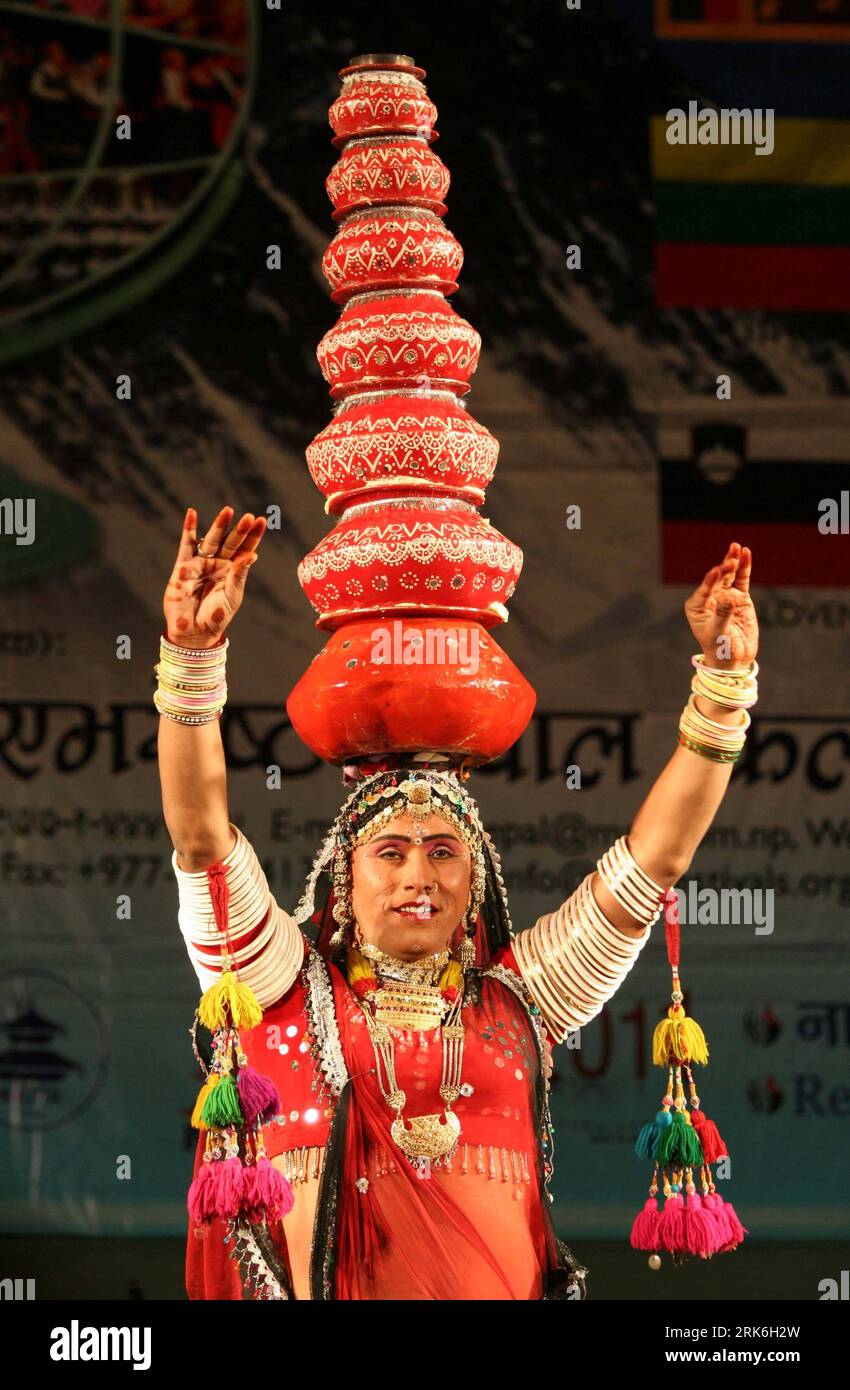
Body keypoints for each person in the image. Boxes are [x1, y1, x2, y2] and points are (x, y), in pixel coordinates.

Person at [157, 504, 759, 1299]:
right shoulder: (276, 989)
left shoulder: (520, 1001)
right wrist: (193, 655)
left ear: (475, 880)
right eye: (392, 853)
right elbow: (202, 841)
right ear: (346, 875)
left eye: (445, 853)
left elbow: (655, 863)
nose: (420, 876)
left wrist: (722, 682)